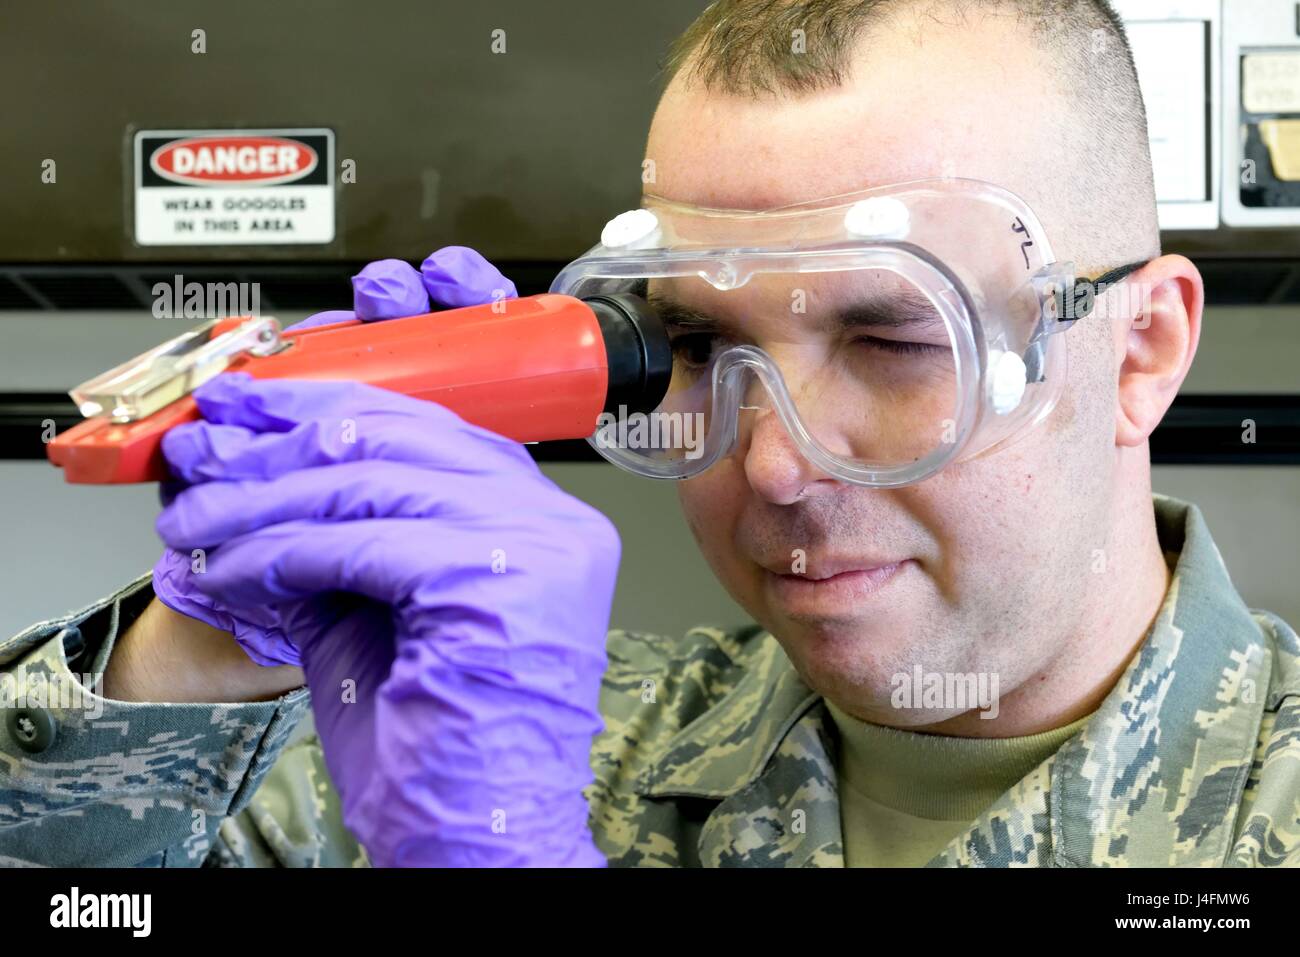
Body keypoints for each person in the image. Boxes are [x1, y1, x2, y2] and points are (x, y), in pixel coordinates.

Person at [3, 0, 1296, 867]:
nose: (776, 465)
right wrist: (200, 660)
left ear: (1142, 351)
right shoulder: (529, 728)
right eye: (697, 345)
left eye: (896, 340)